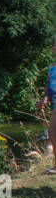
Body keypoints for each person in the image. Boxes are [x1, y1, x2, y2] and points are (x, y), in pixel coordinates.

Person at [44, 36, 56, 174]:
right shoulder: (52, 67)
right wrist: (45, 98)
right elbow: (49, 86)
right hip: (54, 102)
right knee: (52, 133)